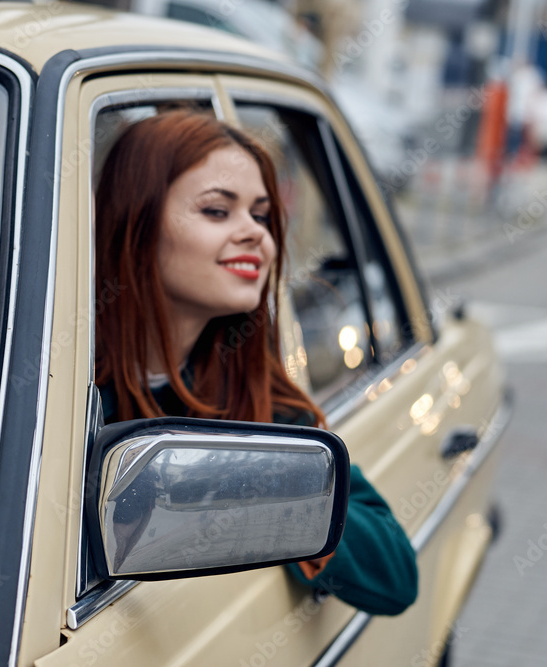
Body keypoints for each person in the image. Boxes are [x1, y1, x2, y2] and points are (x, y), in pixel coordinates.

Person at [94, 109, 417, 616]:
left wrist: (252, 485)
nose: (255, 235)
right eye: (217, 211)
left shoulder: (261, 403)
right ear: (136, 223)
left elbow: (395, 574)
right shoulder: (52, 388)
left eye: (261, 215)